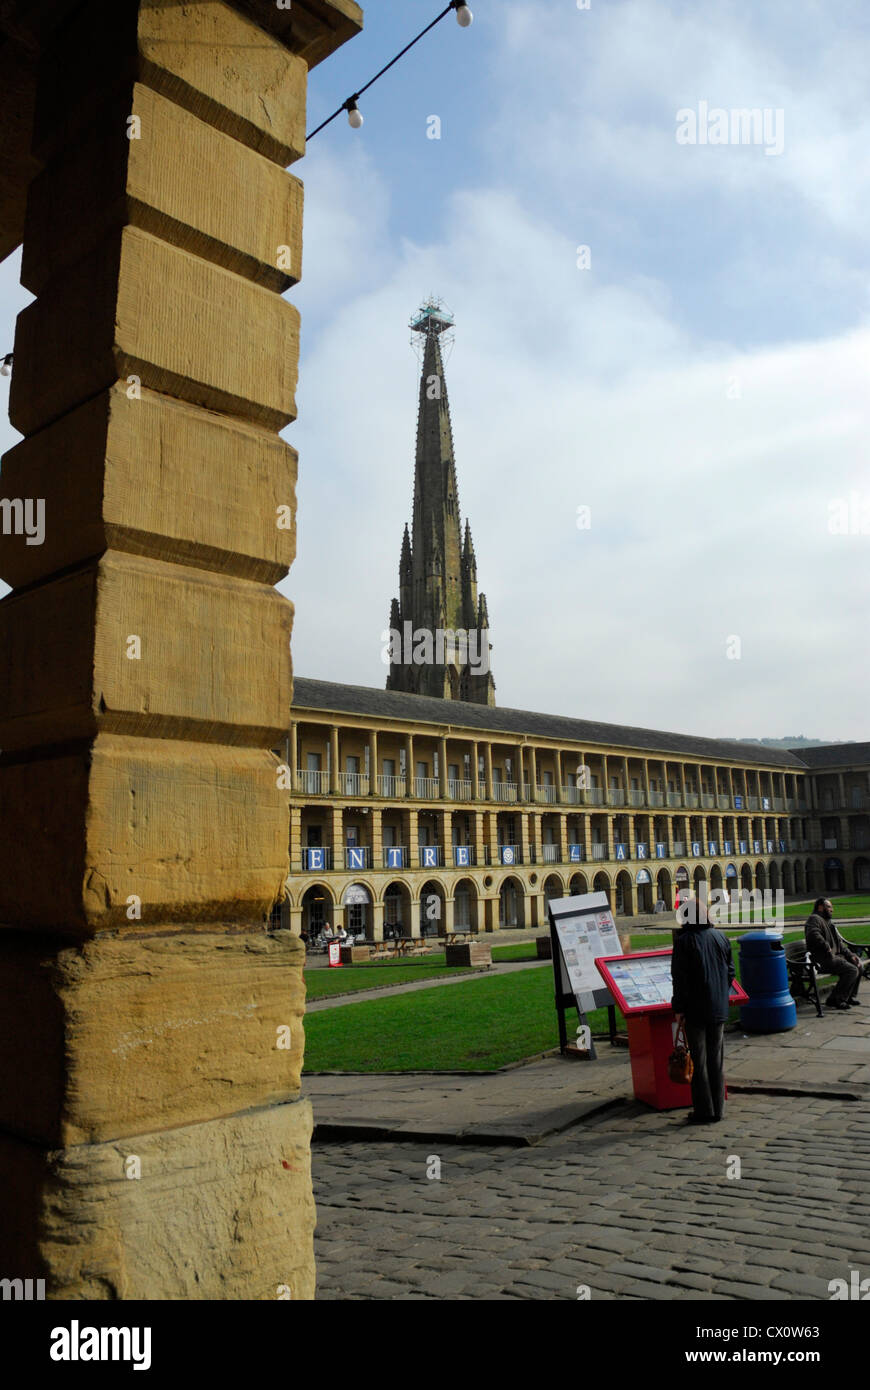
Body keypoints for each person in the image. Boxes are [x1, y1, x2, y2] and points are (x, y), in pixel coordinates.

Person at [671, 896, 736, 1125]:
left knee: (698, 1062)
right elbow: (730, 971)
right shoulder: (720, 937)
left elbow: (680, 979)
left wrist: (679, 1008)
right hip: (718, 1007)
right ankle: (718, 1109)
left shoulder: (684, 941)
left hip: (695, 1009)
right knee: (716, 1060)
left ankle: (703, 1111)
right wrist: (719, 992)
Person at [805, 897, 861, 1010]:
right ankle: (836, 999)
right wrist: (826, 945)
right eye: (829, 907)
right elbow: (813, 934)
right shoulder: (814, 919)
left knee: (858, 965)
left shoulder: (828, 921)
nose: (832, 909)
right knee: (851, 970)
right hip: (822, 960)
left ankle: (848, 997)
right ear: (820, 907)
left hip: (832, 958)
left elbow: (840, 944)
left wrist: (851, 955)